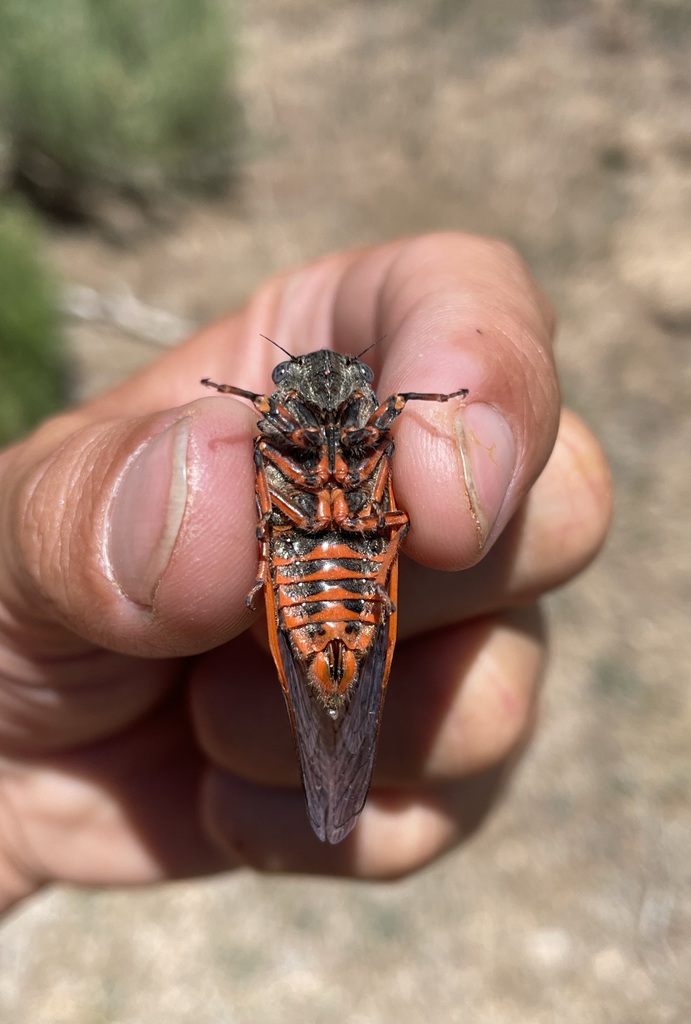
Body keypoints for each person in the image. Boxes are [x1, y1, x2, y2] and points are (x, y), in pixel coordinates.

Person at [0, 233, 612, 914]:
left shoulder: (362, 422)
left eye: (345, 390)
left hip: (332, 567)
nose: (324, 400)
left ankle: (344, 683)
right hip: (310, 558)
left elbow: (394, 419)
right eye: (299, 390)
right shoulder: (270, 429)